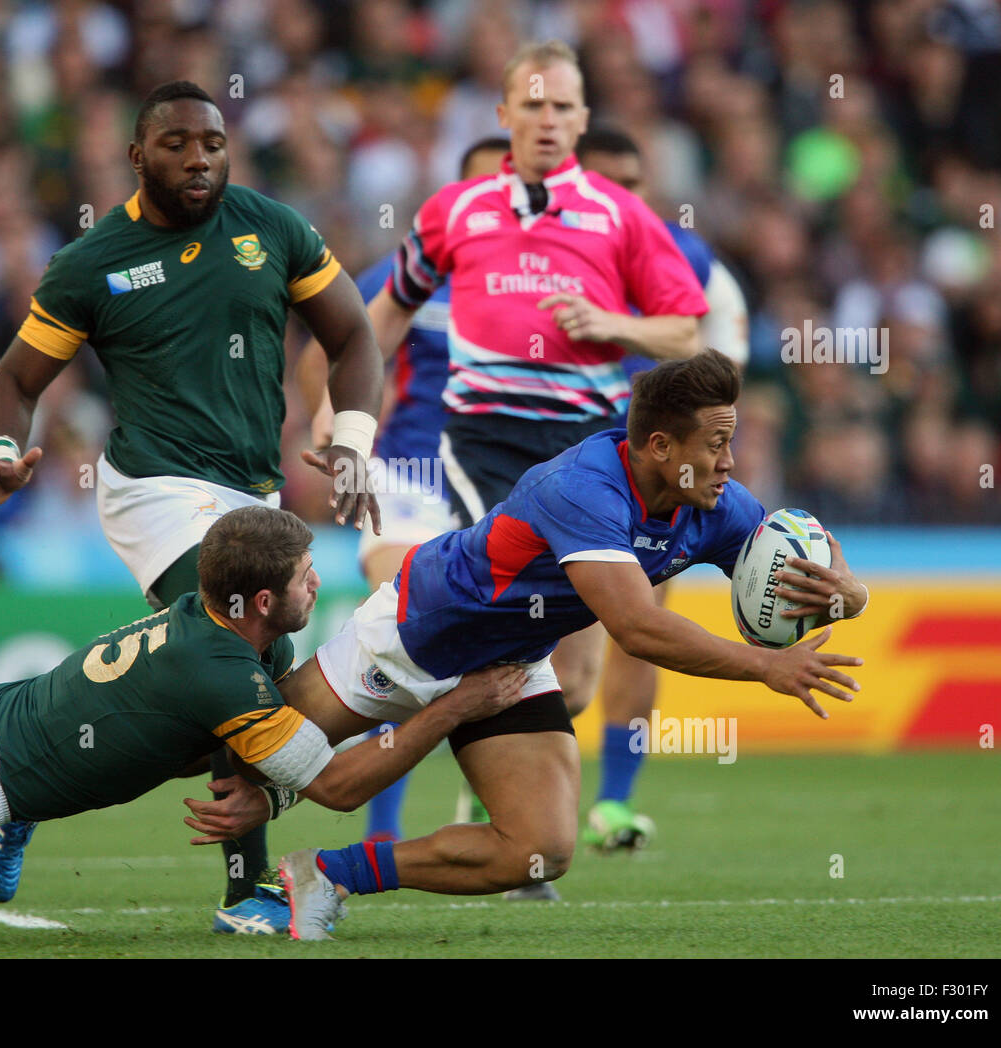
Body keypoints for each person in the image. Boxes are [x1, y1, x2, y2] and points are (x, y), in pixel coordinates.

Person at [182, 351, 869, 940]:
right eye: (716, 444)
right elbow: (637, 627)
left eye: (732, 441)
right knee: (241, 744)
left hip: (509, 663)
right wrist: (767, 667)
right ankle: (241, 894)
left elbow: (791, 562)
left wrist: (849, 595)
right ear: (660, 447)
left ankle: (325, 876)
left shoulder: (714, 502)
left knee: (539, 851)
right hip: (415, 635)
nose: (731, 462)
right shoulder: (584, 489)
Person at [0, 81, 385, 933]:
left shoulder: (273, 228)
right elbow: (13, 380)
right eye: (179, 143)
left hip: (251, 493)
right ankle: (246, 893)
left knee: (209, 694)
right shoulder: (91, 263)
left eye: (214, 144)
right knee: (243, 653)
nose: (200, 159)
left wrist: (355, 440)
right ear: (137, 156)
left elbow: (353, 338)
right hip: (155, 487)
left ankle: (26, 781)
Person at [0, 507, 524, 943]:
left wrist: (269, 794)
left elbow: (248, 739)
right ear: (255, 602)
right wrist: (455, 703)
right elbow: (340, 786)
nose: (318, 582)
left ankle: (22, 821)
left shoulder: (224, 629)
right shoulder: (226, 668)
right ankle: (15, 822)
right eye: (302, 576)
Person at [360, 40, 709, 734]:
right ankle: (367, 722)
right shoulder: (455, 209)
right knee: (492, 616)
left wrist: (611, 323)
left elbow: (684, 333)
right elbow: (387, 310)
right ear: (504, 112)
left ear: (582, 119)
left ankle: (478, 756)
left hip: (583, 453)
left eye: (561, 106)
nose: (547, 119)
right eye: (532, 104)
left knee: (572, 682)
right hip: (481, 443)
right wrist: (341, 415)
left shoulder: (621, 215)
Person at [294, 135, 511, 852]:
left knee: (505, 651)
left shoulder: (544, 285)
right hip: (410, 475)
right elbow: (328, 355)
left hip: (504, 485)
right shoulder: (408, 273)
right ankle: (381, 833)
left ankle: (498, 807)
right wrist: (334, 428)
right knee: (406, 634)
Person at [574, 126, 752, 851]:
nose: (622, 194)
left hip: (651, 475)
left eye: (634, 181)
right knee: (553, 650)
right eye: (605, 180)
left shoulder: (689, 260)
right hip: (562, 469)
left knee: (639, 636)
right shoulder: (545, 255)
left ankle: (613, 803)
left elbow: (717, 372)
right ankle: (499, 786)